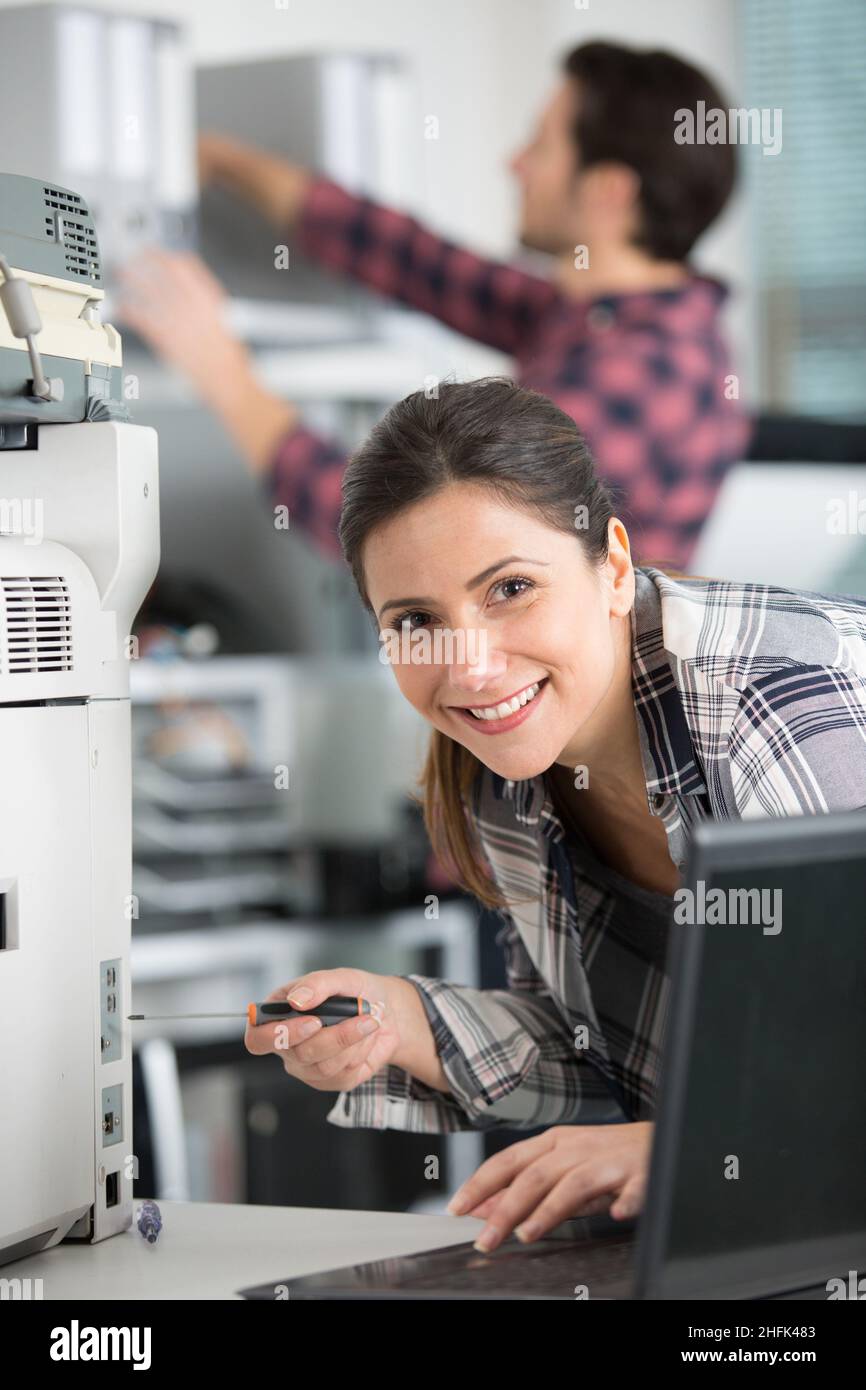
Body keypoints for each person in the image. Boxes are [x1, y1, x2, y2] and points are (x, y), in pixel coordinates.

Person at [244, 378, 866, 1252]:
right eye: (417, 620)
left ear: (612, 567)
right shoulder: (503, 770)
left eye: (510, 589)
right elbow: (591, 1048)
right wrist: (399, 1020)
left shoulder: (768, 704)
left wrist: (686, 1147)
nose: (470, 668)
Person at [117, 40, 751, 572]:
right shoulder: (603, 315)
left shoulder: (641, 369)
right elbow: (414, 259)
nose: (514, 164)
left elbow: (411, 531)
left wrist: (221, 370)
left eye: (541, 147)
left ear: (609, 191)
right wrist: (225, 160)